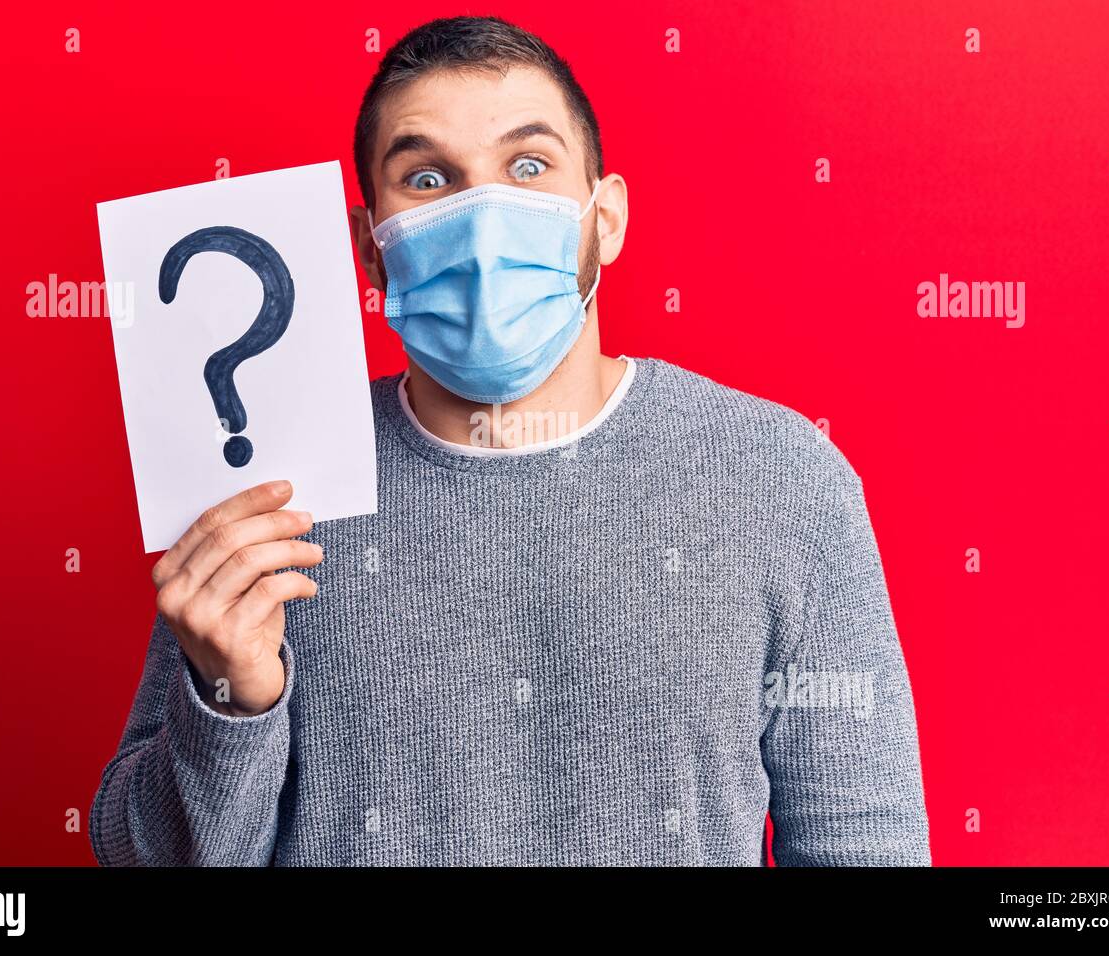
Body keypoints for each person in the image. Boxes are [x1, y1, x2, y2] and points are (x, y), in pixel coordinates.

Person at [90, 14, 930, 866]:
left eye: (528, 167)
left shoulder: (779, 478)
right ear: (370, 251)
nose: (482, 216)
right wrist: (231, 703)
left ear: (605, 219)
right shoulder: (277, 486)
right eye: (426, 178)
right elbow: (139, 856)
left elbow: (864, 843)